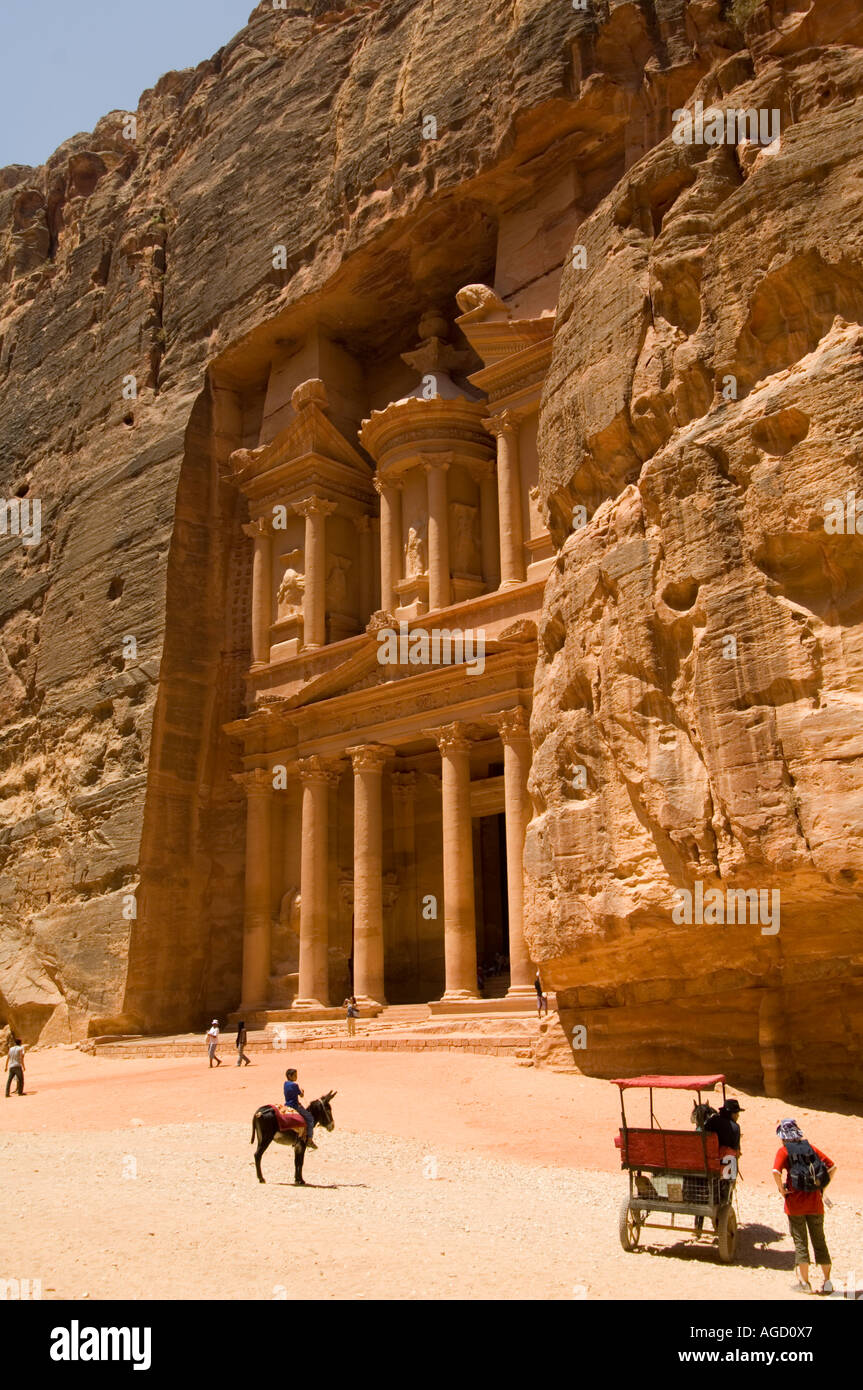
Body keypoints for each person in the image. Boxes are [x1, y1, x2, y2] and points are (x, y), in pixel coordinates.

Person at [773, 1118, 836, 1295]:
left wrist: (781, 1190)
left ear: (783, 1136)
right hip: (815, 1203)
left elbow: (775, 1172)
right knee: (820, 1241)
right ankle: (827, 1282)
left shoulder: (783, 1151)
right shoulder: (811, 1148)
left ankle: (805, 1284)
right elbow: (833, 1166)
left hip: (795, 1205)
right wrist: (821, 1187)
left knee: (801, 1243)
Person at [283, 1068, 316, 1148]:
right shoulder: (295, 1085)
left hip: (287, 1105)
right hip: (295, 1106)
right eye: (294, 1075)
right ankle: (309, 1139)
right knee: (310, 1118)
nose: (296, 1077)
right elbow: (301, 1095)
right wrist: (302, 1091)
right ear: (289, 1076)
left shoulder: (285, 1083)